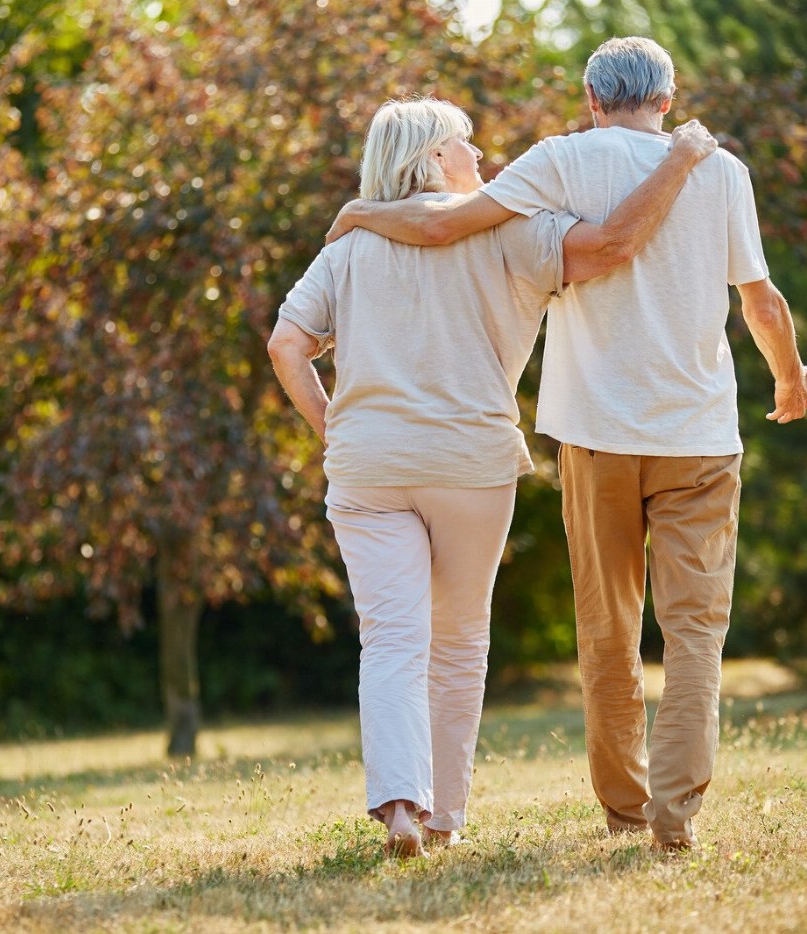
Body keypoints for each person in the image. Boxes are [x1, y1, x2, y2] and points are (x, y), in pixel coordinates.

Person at [326, 38, 807, 851]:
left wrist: (358, 215)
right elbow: (759, 299)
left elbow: (447, 221)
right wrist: (790, 376)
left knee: (608, 630)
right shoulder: (722, 170)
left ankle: (626, 809)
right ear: (667, 98)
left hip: (595, 436)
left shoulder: (557, 161)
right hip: (698, 437)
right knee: (695, 632)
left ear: (592, 98)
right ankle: (677, 813)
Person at [268, 97, 716, 857]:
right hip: (469, 462)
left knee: (390, 640)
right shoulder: (513, 231)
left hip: (368, 464)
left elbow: (287, 345)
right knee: (459, 641)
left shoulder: (349, 243)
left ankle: (402, 806)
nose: (482, 157)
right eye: (466, 144)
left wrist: (331, 427)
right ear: (437, 158)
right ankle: (445, 820)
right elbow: (608, 250)